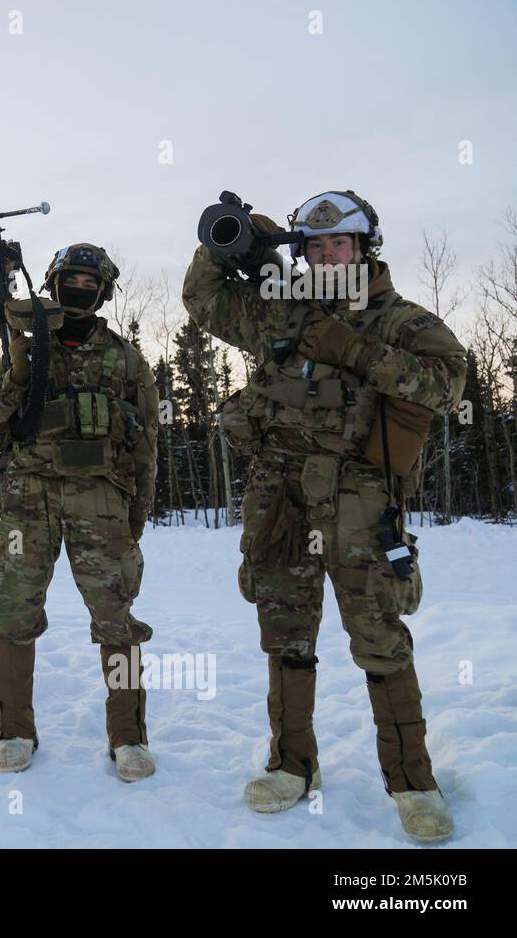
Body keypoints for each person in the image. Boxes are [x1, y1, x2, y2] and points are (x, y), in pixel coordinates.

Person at [182, 190, 466, 842]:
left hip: (361, 504)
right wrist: (225, 242)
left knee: (380, 642)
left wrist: (358, 351)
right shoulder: (280, 310)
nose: (328, 254)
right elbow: (203, 301)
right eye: (314, 245)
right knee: (287, 638)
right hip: (282, 500)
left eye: (340, 242)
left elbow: (447, 382)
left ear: (365, 246)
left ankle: (413, 782)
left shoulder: (399, 318)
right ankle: (291, 766)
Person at [0, 244, 160, 778]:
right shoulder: (27, 348)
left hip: (101, 498)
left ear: (103, 290)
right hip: (28, 498)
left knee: (116, 617)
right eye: (70, 280)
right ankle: (16, 732)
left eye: (88, 281)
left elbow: (147, 444)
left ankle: (128, 736)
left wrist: (136, 515)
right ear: (54, 285)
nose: (79, 288)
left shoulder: (125, 359)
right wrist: (15, 372)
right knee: (14, 610)